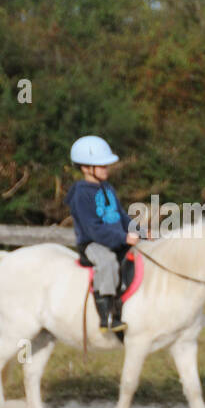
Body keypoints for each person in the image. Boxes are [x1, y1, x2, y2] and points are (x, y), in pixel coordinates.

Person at [66, 135, 139, 334]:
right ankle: (106, 315)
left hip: (115, 239)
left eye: (106, 165)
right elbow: (93, 229)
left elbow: (121, 216)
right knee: (107, 262)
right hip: (93, 243)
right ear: (85, 168)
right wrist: (123, 238)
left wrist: (137, 230)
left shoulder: (107, 188)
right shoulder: (81, 194)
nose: (106, 168)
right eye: (101, 165)